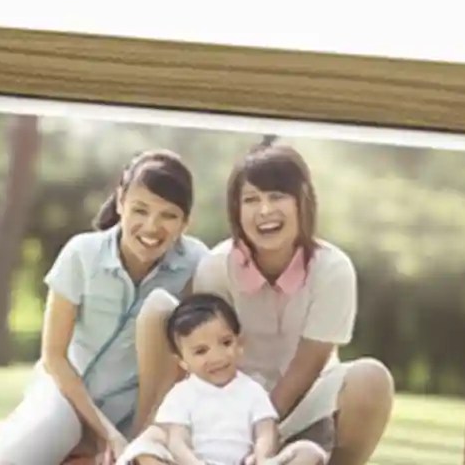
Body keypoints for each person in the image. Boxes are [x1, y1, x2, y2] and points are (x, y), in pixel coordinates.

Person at [133, 137, 394, 465]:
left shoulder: (333, 269)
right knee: (158, 307)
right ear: (236, 211)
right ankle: (144, 436)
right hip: (228, 397)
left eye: (277, 196)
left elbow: (309, 365)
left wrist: (262, 431)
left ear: (303, 202)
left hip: (300, 399)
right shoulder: (218, 266)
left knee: (371, 378)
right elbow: (201, 349)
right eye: (251, 199)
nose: (265, 210)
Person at [0, 150, 210, 465]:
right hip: (64, 395)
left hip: (134, 413)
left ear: (186, 222)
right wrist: (105, 433)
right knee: (31, 447)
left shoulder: (196, 264)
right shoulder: (82, 253)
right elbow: (54, 357)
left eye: (168, 215)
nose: (151, 227)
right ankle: (16, 438)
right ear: (120, 203)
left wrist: (141, 433)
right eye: (140, 210)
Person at [115, 293, 328, 465]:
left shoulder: (251, 390)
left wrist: (261, 456)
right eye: (201, 351)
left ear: (240, 343)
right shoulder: (182, 394)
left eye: (225, 343)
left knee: (309, 452)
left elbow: (265, 430)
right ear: (182, 361)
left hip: (245, 462)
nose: (216, 357)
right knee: (145, 450)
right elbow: (177, 440)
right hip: (195, 461)